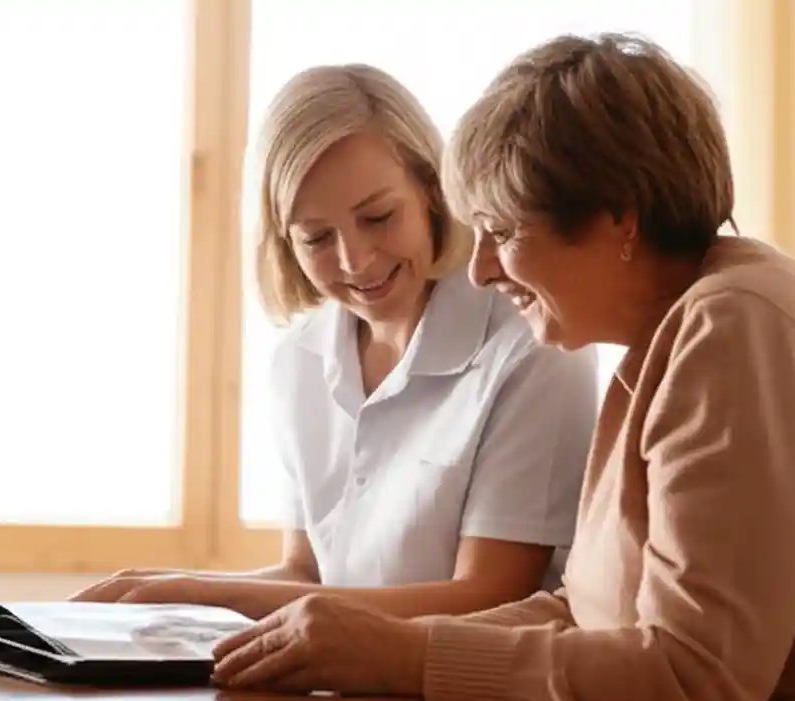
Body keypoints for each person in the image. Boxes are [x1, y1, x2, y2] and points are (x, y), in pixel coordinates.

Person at [209, 33, 795, 701]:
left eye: (502, 232)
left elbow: (694, 680)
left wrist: (403, 656)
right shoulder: (669, 341)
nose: (478, 268)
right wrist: (379, 642)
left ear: (619, 218)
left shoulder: (739, 324)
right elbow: (584, 615)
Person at [71, 64, 599, 622]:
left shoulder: (531, 343)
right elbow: (306, 576)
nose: (355, 261)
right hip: (338, 690)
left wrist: (206, 592)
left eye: (378, 217)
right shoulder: (300, 359)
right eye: (317, 237)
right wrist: (167, 592)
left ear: (433, 191)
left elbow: (491, 596)